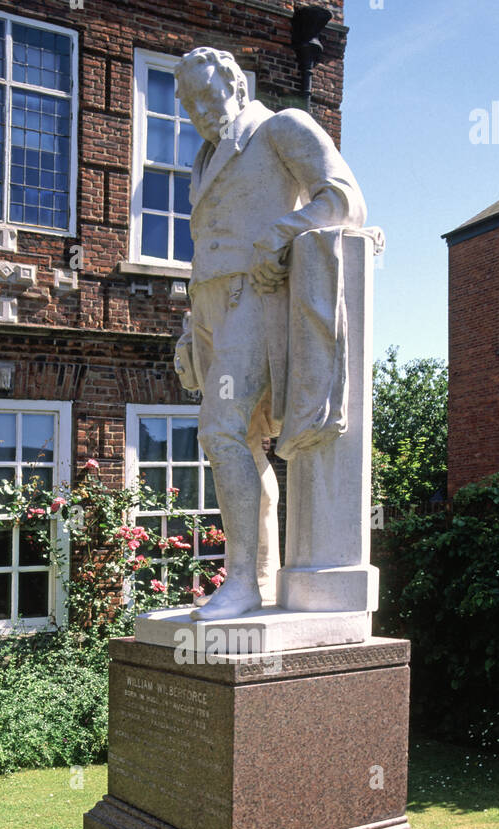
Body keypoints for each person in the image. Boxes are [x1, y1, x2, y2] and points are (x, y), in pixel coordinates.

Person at [173, 46, 367, 620]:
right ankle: (257, 574)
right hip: (210, 310)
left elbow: (346, 200)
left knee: (220, 430)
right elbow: (205, 248)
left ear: (235, 83)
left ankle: (240, 582)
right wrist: (190, 329)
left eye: (209, 96)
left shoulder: (282, 128)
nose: (201, 112)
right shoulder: (203, 161)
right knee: (242, 441)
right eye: (189, 104)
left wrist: (286, 230)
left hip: (255, 299)